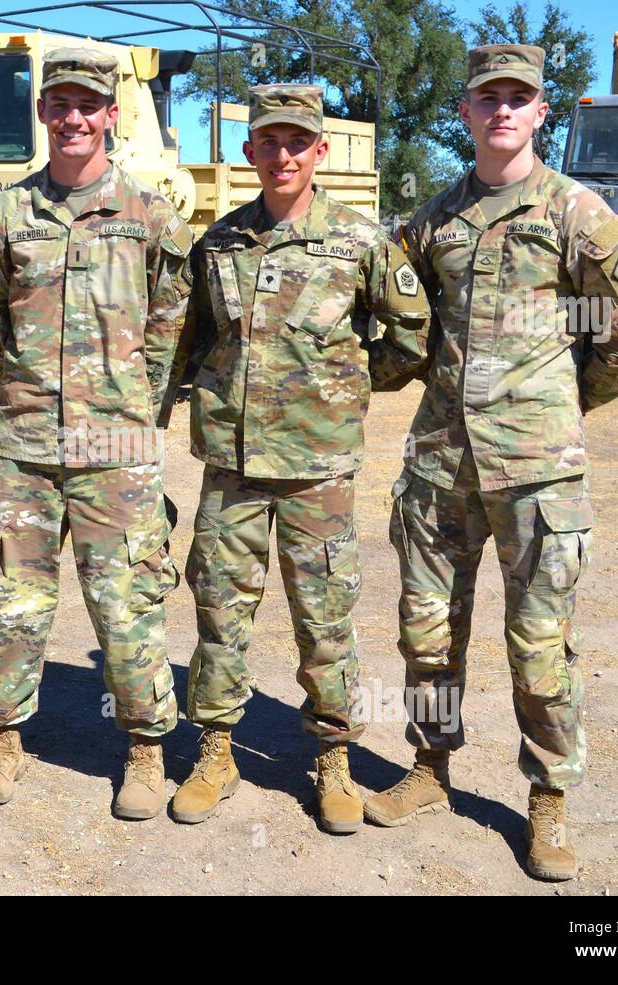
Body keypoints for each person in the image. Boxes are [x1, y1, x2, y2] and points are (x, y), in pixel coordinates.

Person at [367, 45, 618, 880]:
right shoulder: (428, 224)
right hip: (439, 467)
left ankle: (549, 797)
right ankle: (428, 767)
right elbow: (408, 337)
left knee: (539, 643)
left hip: (538, 474)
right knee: (427, 633)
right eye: (486, 97)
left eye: (517, 98)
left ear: (540, 112)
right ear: (464, 112)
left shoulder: (580, 217)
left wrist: (558, 408)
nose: (501, 110)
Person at [168, 84, 430, 832]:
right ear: (249, 152)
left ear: (320, 152)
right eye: (268, 142)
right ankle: (216, 752)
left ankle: (334, 760)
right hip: (234, 470)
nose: (282, 155)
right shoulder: (217, 242)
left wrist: (344, 388)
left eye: (297, 142)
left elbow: (411, 334)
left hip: (319, 471)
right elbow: (190, 342)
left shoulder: (359, 240)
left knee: (325, 621)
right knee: (219, 615)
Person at [0, 48, 193, 819]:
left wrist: (132, 408)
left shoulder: (148, 214)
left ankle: (144, 747)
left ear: (110, 115)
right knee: (12, 601)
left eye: (86, 105)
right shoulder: (4, 215)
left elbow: (169, 328)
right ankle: (3, 737)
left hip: (117, 450)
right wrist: (27, 396)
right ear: (43, 113)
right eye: (58, 103)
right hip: (25, 447)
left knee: (127, 604)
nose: (72, 118)